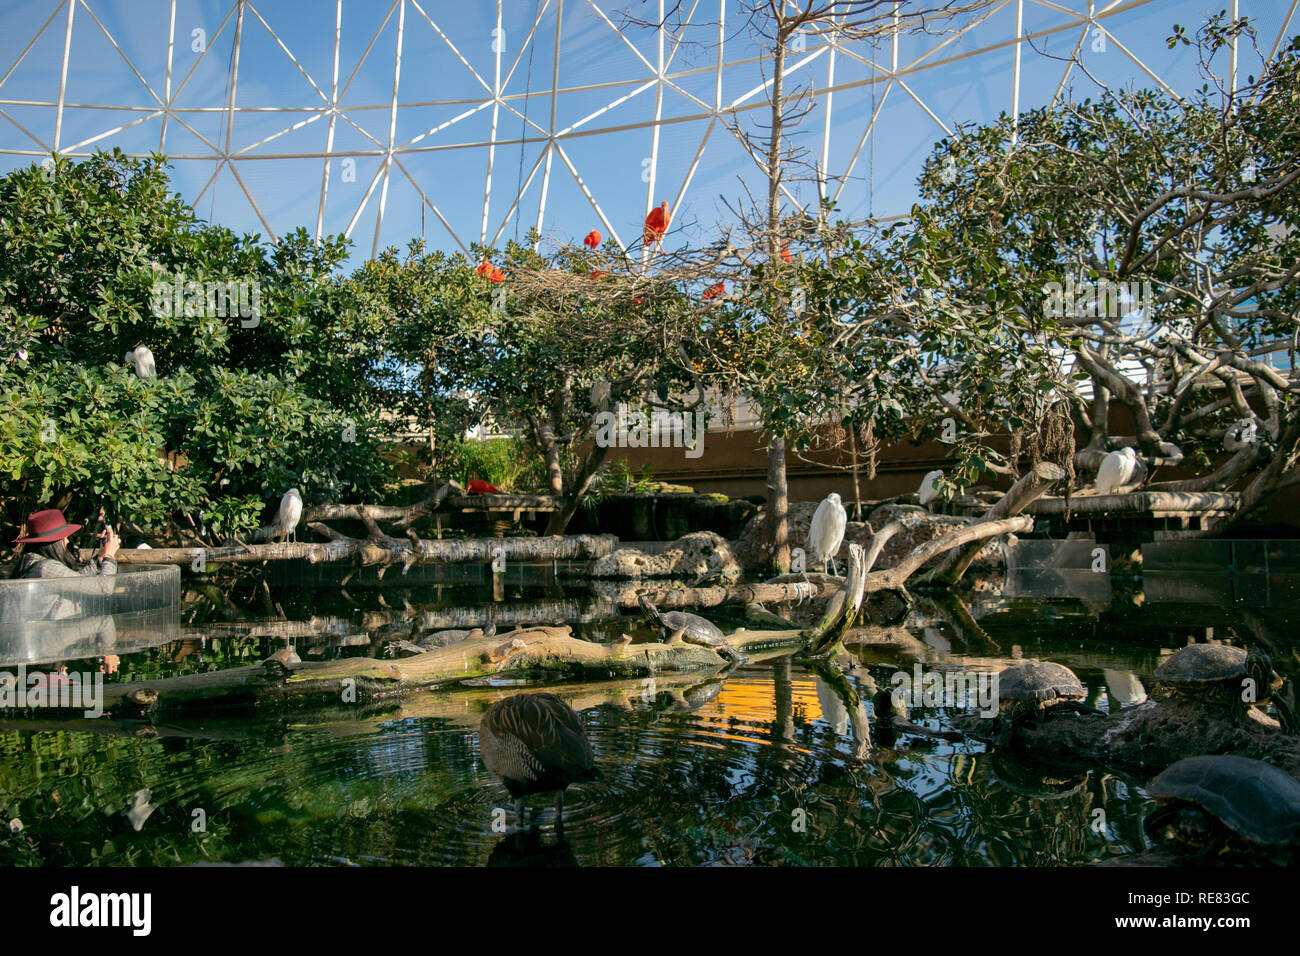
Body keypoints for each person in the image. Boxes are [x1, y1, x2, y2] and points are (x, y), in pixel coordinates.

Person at [11, 508, 120, 579]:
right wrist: (109, 557)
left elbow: (78, 580)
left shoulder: (33, 563)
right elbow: (103, 589)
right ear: (55, 543)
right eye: (65, 537)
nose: (67, 541)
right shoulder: (46, 568)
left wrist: (100, 558)